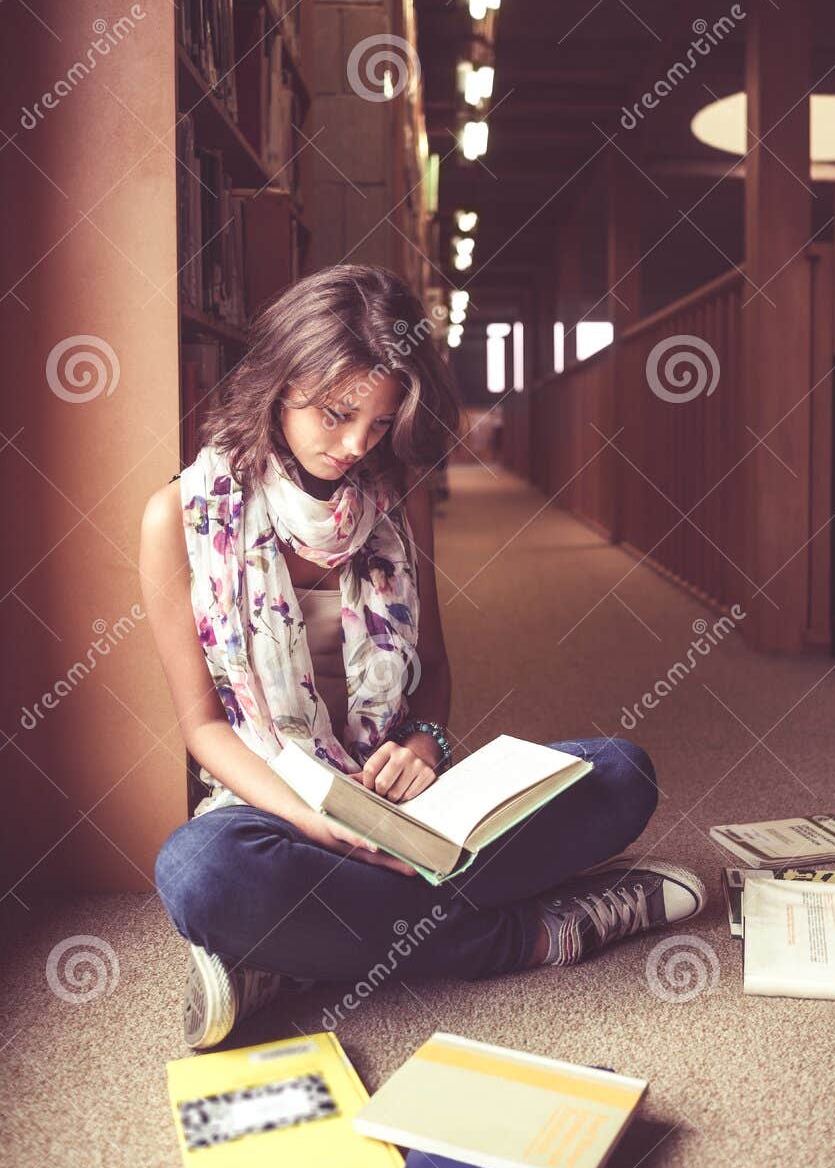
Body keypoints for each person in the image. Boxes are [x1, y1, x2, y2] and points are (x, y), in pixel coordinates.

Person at [142, 265, 705, 1049]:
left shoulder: (395, 494)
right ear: (277, 376)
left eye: (378, 424)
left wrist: (423, 745)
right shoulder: (179, 517)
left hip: (405, 809)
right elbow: (203, 728)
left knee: (619, 773)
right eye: (338, 414)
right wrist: (315, 820)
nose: (354, 446)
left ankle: (296, 955)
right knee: (202, 873)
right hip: (275, 811)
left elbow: (431, 670)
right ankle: (527, 937)